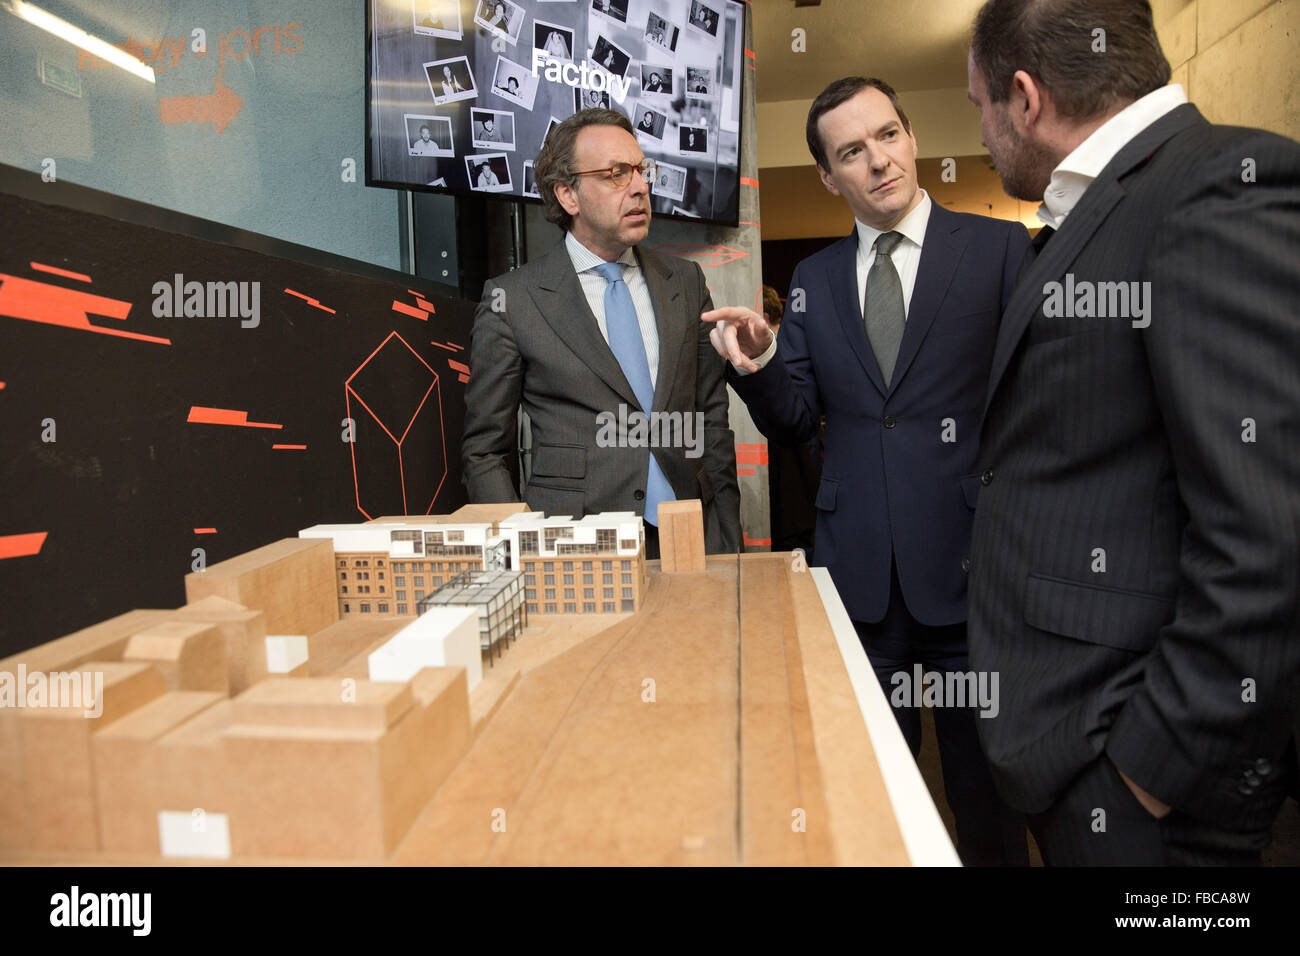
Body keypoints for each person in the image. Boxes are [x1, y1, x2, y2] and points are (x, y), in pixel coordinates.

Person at [964, 0, 1300, 866]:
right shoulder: (1100, 209)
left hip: (1144, 786)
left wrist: (1146, 769)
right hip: (1077, 754)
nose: (986, 130)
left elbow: (1272, 534)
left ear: (1026, 97)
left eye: (979, 108)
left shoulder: (1218, 186)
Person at [703, 76, 1031, 866]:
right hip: (857, 586)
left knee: (985, 796)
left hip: (971, 576)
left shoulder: (998, 249)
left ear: (912, 138)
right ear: (827, 176)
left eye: (888, 135)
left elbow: (1036, 407)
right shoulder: (813, 281)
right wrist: (758, 363)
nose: (879, 160)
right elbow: (793, 419)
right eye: (852, 151)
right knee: (863, 789)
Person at [462, 109, 741, 559]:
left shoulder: (685, 282)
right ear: (568, 195)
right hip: (572, 547)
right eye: (615, 174)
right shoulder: (512, 300)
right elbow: (485, 450)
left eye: (640, 170)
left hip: (690, 537)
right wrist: (517, 550)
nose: (639, 186)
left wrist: (726, 533)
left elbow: (710, 417)